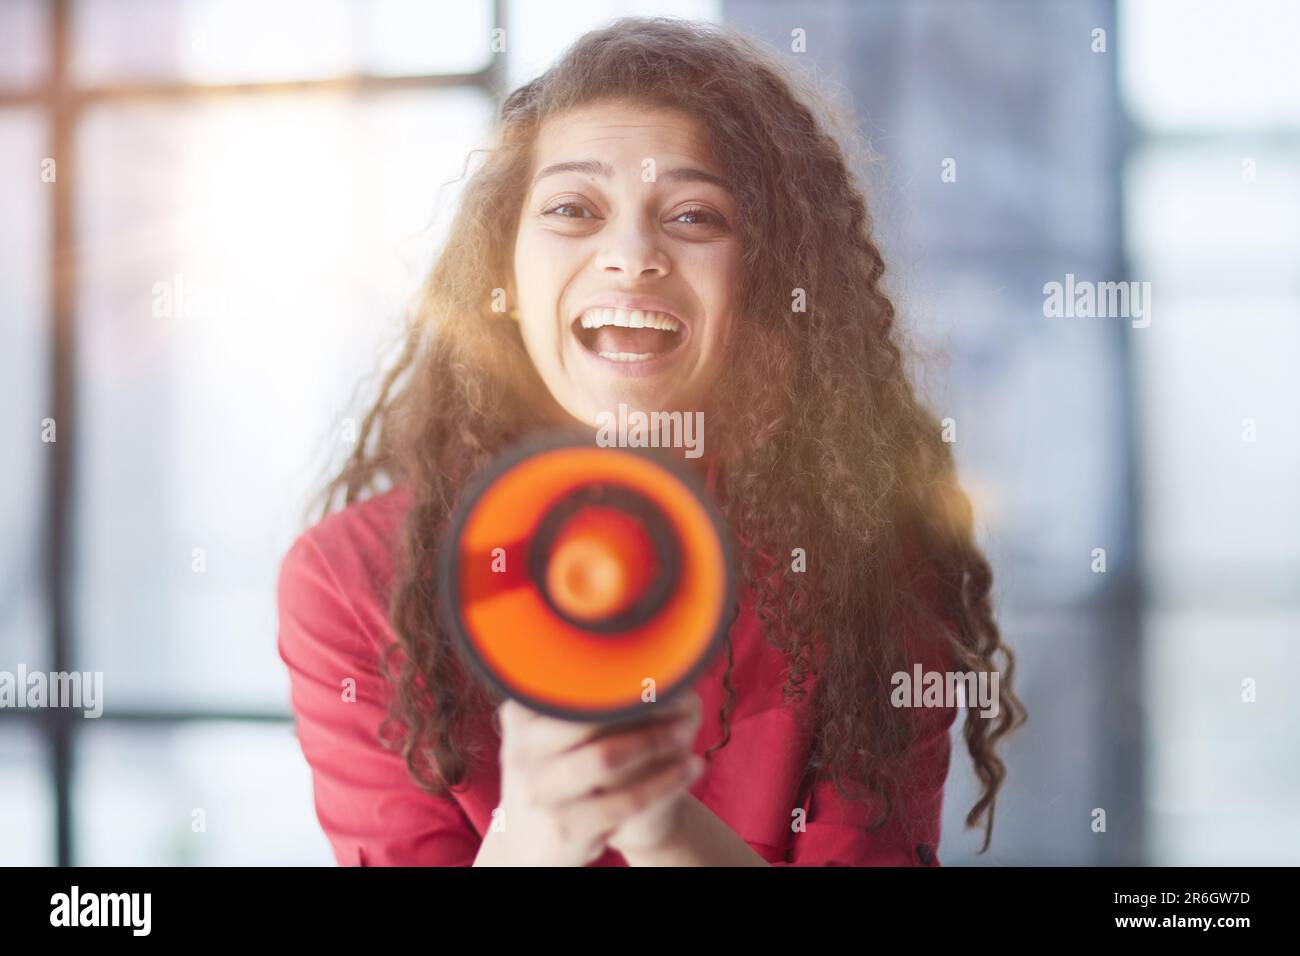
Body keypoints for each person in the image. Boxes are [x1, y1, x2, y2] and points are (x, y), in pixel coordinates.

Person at [276, 16, 1025, 867]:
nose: (631, 255)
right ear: (504, 276)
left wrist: (656, 824)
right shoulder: (353, 582)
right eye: (572, 209)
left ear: (767, 285)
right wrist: (533, 839)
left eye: (695, 215)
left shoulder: (875, 560)